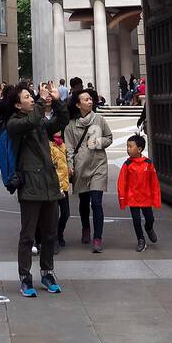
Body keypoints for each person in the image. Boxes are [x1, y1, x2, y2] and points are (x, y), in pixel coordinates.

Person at [6, 81, 68, 296]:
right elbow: (31, 121)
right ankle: (25, 277)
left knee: (50, 233)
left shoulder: (39, 119)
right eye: (27, 97)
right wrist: (42, 101)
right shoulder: (14, 123)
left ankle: (47, 272)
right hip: (30, 185)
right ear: (16, 105)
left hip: (49, 184)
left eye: (31, 97)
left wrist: (57, 101)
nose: (31, 99)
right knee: (28, 235)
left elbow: (62, 121)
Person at [65, 88, 113, 252]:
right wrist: (70, 166)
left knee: (97, 203)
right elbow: (69, 148)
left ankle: (97, 238)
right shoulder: (71, 125)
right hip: (81, 167)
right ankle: (86, 227)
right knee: (84, 202)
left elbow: (109, 138)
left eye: (90, 99)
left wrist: (98, 143)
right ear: (78, 105)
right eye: (85, 100)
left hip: (98, 164)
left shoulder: (99, 119)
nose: (90, 101)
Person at [117, 133, 161, 251]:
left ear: (139, 149)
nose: (128, 149)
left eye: (130, 146)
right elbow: (122, 183)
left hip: (146, 197)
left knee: (150, 218)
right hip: (133, 198)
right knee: (136, 220)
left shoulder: (148, 163)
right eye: (127, 146)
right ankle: (140, 240)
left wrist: (156, 197)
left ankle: (149, 228)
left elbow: (154, 182)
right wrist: (122, 198)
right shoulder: (127, 165)